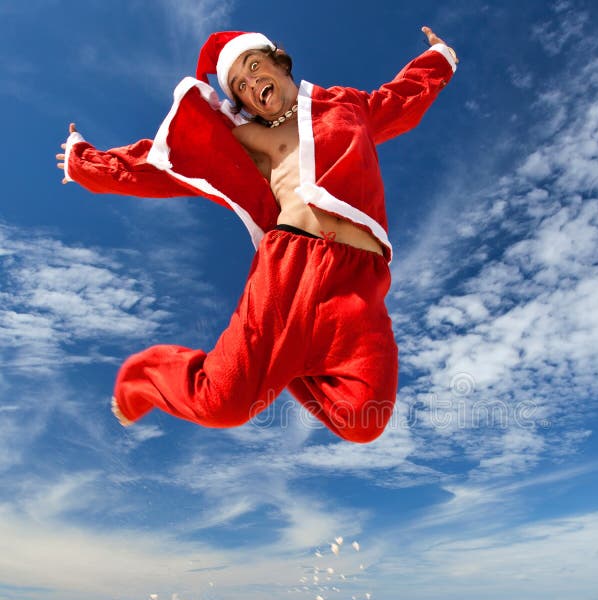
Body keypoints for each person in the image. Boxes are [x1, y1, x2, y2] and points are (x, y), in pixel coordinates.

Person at [57, 26, 457, 443]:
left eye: (254, 68)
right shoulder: (250, 138)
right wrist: (85, 161)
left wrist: (440, 58)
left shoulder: (346, 105)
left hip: (359, 283)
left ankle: (283, 361)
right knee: (222, 404)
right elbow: (166, 164)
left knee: (364, 420)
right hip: (291, 269)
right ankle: (148, 373)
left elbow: (402, 98)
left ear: (279, 63)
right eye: (240, 87)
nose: (251, 85)